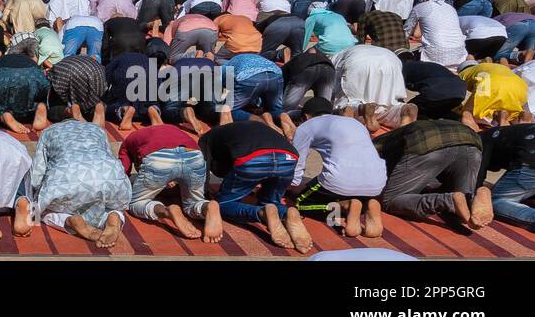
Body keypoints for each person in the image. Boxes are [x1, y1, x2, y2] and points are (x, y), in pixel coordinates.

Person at [199, 120, 312, 252]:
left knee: (223, 205)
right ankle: (287, 213)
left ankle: (261, 213)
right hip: (288, 158)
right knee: (271, 202)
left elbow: (202, 169)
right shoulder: (244, 129)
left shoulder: (206, 139)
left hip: (253, 158)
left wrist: (203, 195)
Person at [284, 97, 387, 239]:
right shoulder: (354, 123)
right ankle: (367, 205)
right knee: (344, 187)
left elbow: (297, 161)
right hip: (376, 183)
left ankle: (346, 206)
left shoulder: (306, 126)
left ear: (306, 116)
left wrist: (291, 185)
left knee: (301, 203)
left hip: (340, 181)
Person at [373, 119, 493, 229]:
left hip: (428, 144)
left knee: (391, 200)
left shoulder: (373, 148)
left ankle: (447, 200)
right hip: (471, 142)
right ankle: (472, 196)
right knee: (463, 202)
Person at [30, 119, 131, 248]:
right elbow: (108, 153)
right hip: (109, 172)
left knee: (37, 212)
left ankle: (68, 221)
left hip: (67, 175)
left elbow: (36, 175)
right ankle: (113, 217)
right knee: (114, 205)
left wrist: (36, 194)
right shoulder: (97, 129)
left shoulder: (48, 131)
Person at [120, 121, 222, 243]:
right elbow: (179, 160)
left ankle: (166, 211)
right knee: (192, 204)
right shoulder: (173, 128)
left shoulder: (128, 141)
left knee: (136, 203)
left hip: (159, 159)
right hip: (194, 155)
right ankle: (208, 206)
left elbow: (122, 173)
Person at [0, 37, 50, 134]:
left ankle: (2, 115)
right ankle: (39, 106)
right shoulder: (31, 62)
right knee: (35, 100)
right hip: (32, 74)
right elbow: (44, 84)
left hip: (4, 76)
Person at [478, 123, 535, 228]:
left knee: (494, 202)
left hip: (531, 161)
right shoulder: (501, 134)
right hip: (530, 151)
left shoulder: (479, 143)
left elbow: (476, 181)